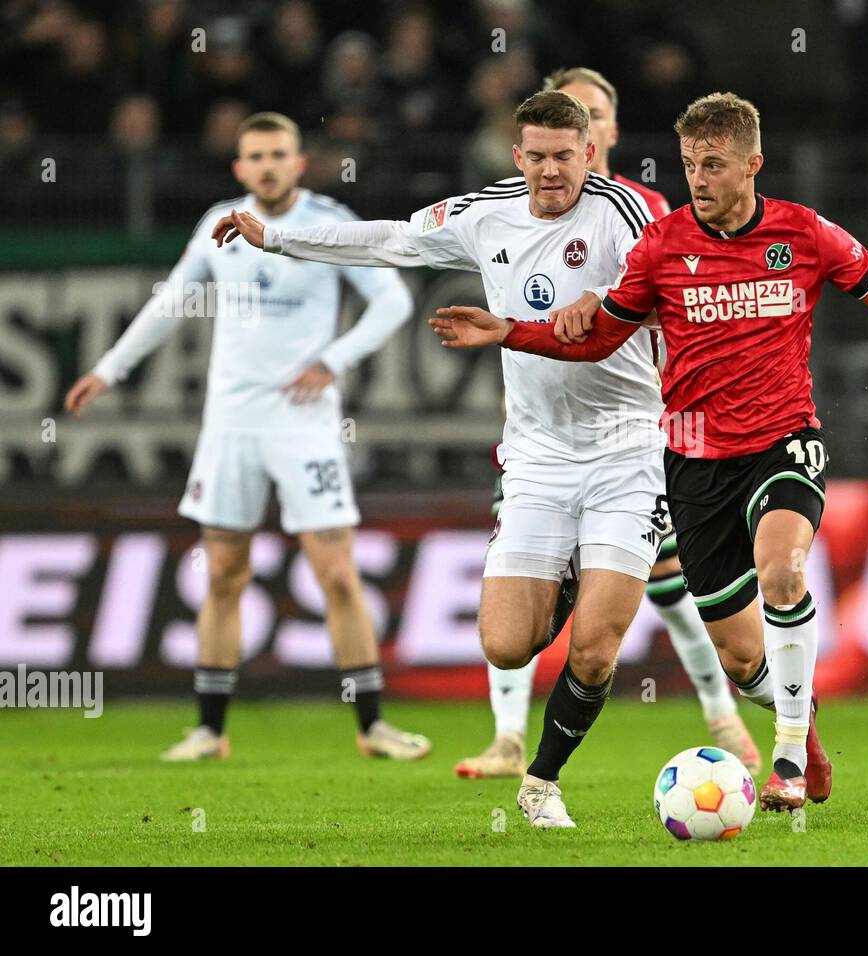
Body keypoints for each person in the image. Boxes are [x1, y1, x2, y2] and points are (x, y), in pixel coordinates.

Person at [432, 92, 868, 810]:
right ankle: (805, 738)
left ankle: (782, 760)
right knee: (742, 654)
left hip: (783, 442)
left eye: (714, 165)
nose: (699, 179)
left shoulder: (805, 236)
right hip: (693, 462)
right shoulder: (661, 245)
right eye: (690, 164)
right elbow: (596, 339)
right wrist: (508, 330)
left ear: (753, 164)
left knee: (782, 571)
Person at [212, 91, 671, 829]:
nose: (552, 170)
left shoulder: (626, 214)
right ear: (517, 156)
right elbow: (389, 239)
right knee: (505, 645)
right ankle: (574, 574)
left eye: (565, 155)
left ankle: (542, 780)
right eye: (538, 156)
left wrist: (620, 303)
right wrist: (277, 240)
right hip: (538, 455)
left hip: (629, 448)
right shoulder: (486, 212)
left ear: (590, 153)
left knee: (595, 646)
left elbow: (676, 287)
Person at [65, 112, 428, 761]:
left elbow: (394, 301)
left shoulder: (328, 221)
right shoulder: (218, 223)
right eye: (254, 155)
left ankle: (372, 726)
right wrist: (107, 370)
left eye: (278, 154)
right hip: (231, 423)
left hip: (303, 422)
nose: (266, 165)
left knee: (338, 574)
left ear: (298, 162)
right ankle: (210, 730)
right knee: (225, 574)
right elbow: (171, 301)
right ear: (239, 168)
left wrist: (335, 360)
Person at [454, 67, 760, 782]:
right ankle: (506, 736)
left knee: (670, 584)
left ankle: (720, 709)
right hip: (540, 443)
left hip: (636, 436)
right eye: (554, 135)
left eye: (588, 118)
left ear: (605, 135)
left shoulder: (651, 208)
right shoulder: (516, 213)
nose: (566, 146)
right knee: (522, 602)